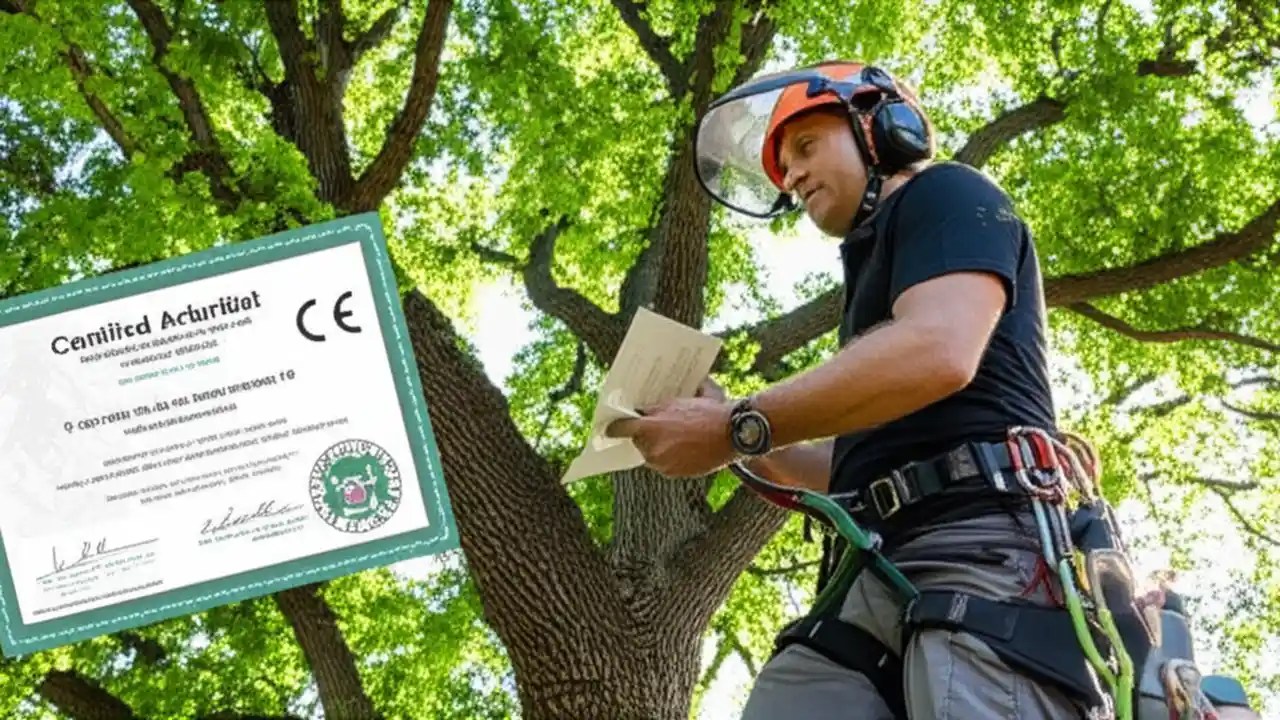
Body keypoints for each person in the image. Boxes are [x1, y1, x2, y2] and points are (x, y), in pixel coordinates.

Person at [605, 60, 1144, 720]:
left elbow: (940, 350)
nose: (793, 175)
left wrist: (738, 425)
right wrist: (731, 433)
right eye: (781, 169)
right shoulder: (868, 297)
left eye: (805, 147)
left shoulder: (949, 194)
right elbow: (855, 468)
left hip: (983, 548)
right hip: (869, 573)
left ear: (886, 130)